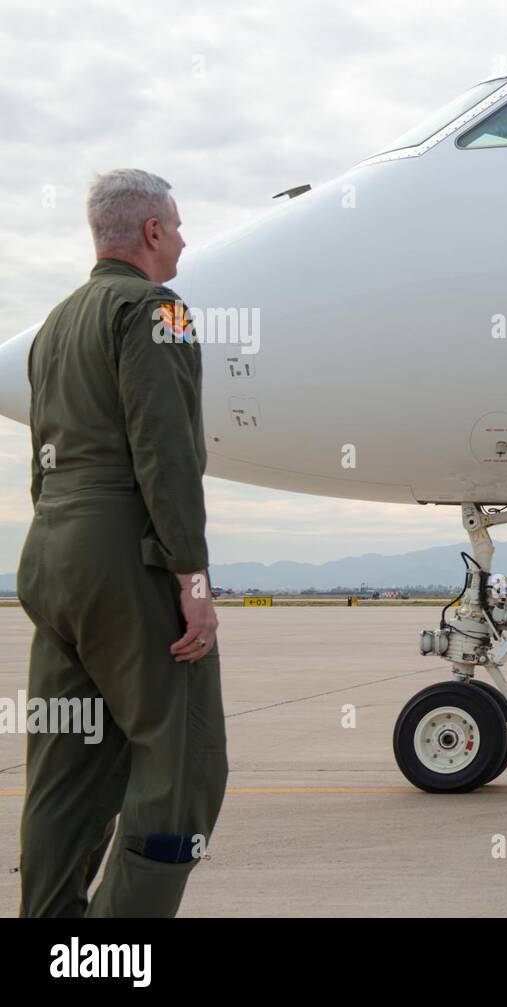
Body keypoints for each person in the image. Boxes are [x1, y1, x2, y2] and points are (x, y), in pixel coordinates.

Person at [16, 168, 227, 916]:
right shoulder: (158, 310)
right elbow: (166, 455)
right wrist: (191, 582)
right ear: (150, 232)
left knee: (65, 772)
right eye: (177, 225)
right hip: (124, 557)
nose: (183, 239)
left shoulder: (55, 324)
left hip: (52, 556)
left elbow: (45, 456)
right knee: (184, 769)